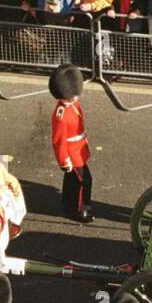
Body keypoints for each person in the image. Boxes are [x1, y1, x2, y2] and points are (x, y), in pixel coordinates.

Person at [49, 65, 93, 224]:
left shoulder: (73, 104)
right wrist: (64, 160)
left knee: (72, 181)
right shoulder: (61, 115)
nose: (75, 97)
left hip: (78, 148)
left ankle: (68, 204)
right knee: (83, 181)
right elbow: (58, 140)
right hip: (72, 155)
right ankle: (79, 210)